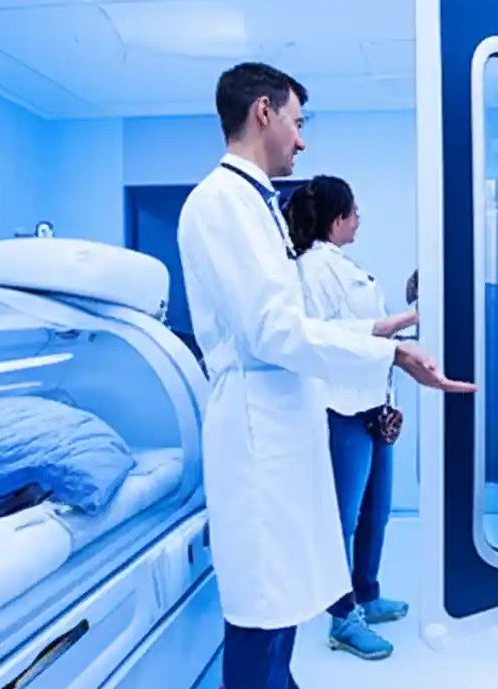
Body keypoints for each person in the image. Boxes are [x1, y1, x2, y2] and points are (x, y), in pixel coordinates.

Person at [176, 62, 474, 689]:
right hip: (258, 433)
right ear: (264, 112)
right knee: (261, 610)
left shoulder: (254, 205)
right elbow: (274, 331)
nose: (301, 139)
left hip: (282, 423)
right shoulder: (223, 204)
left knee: (280, 603)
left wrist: (384, 348)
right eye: (297, 121)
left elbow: (287, 325)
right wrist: (391, 354)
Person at [283, 176, 415, 661]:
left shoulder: (344, 265)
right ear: (336, 219)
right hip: (341, 409)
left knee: (376, 512)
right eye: (354, 211)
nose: (359, 219)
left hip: (373, 404)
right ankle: (342, 618)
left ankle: (368, 592)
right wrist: (402, 322)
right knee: (342, 519)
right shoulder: (312, 268)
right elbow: (326, 334)